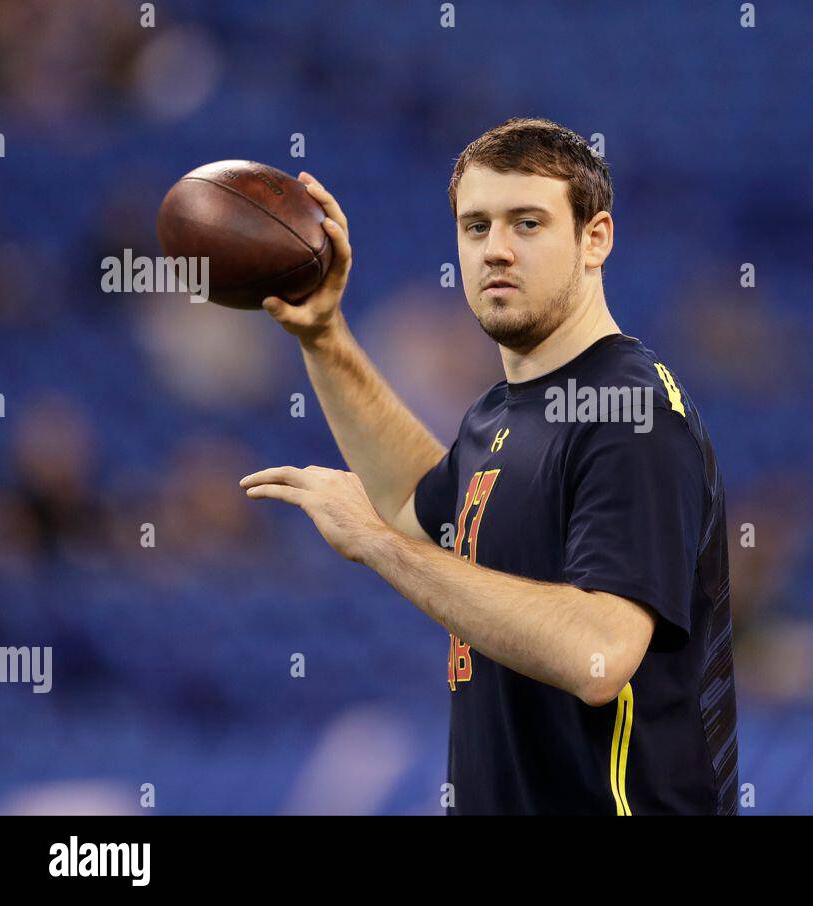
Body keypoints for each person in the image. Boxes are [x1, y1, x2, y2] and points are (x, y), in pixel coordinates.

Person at [241, 117, 738, 815]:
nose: (496, 250)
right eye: (476, 227)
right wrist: (323, 336)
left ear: (595, 238)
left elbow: (597, 654)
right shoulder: (501, 413)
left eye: (527, 224)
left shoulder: (630, 413)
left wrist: (378, 546)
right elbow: (417, 505)